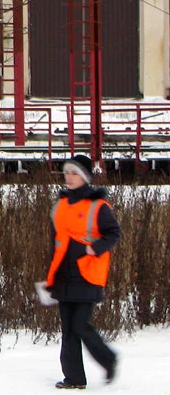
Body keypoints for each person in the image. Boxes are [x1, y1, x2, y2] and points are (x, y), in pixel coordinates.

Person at [46, 154, 121, 389]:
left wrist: (94, 248)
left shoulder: (98, 206)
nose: (69, 177)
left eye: (74, 173)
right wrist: (51, 274)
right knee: (68, 330)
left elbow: (113, 233)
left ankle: (108, 359)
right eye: (67, 173)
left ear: (85, 176)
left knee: (79, 325)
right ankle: (74, 379)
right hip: (64, 275)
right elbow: (55, 242)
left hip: (88, 274)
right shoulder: (60, 205)